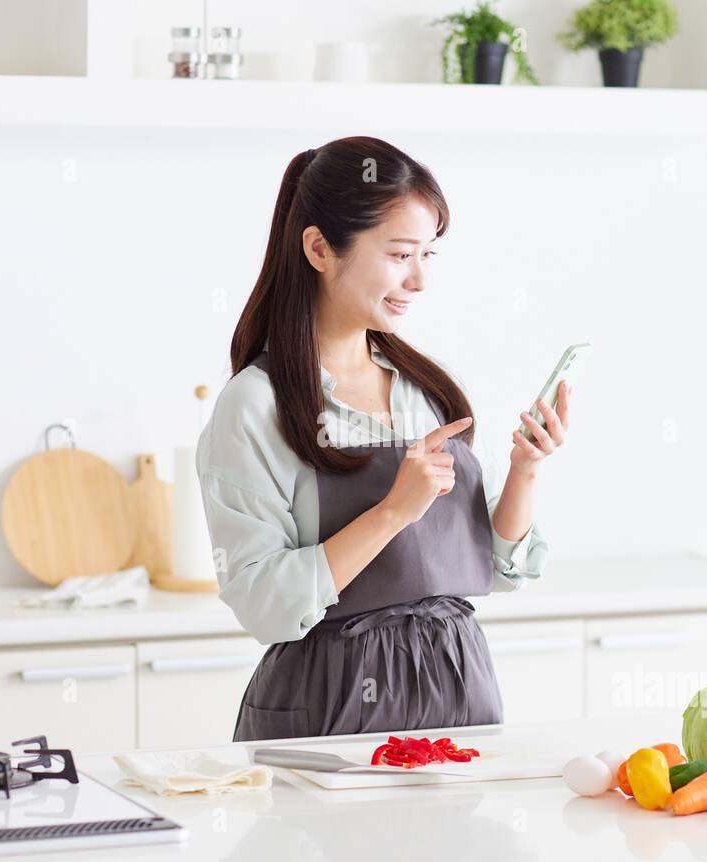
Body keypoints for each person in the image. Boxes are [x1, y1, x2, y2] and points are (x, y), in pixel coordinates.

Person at [196, 136, 571, 742]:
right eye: (400, 254)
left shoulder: (424, 390)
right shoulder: (256, 405)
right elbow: (264, 602)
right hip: (332, 701)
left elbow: (499, 568)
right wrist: (394, 511)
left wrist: (525, 469)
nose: (419, 279)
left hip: (457, 686)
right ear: (319, 248)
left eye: (429, 254)